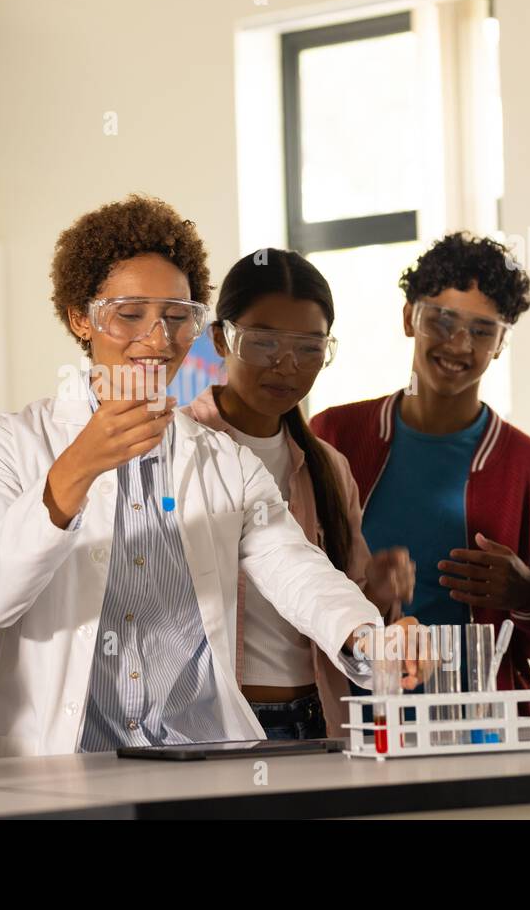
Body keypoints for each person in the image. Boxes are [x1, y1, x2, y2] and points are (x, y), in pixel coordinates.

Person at [0, 195, 424, 760]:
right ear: (82, 317)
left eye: (177, 317)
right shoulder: (12, 445)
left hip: (197, 763)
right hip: (56, 766)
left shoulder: (223, 461)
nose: (158, 339)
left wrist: (368, 636)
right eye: (130, 314)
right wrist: (76, 468)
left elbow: (297, 570)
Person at [311, 232, 530, 690]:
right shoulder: (335, 435)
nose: (459, 345)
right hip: (356, 724)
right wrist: (365, 594)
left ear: (502, 342)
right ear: (410, 317)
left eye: (482, 330)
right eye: (443, 321)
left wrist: (527, 590)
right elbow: (290, 590)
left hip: (486, 731)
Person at [182, 248, 414, 739]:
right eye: (264, 342)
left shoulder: (327, 466)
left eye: (309, 347)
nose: (286, 365)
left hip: (315, 716)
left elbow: (337, 606)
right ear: (221, 340)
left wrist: (379, 590)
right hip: (214, 720)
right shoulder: (179, 449)